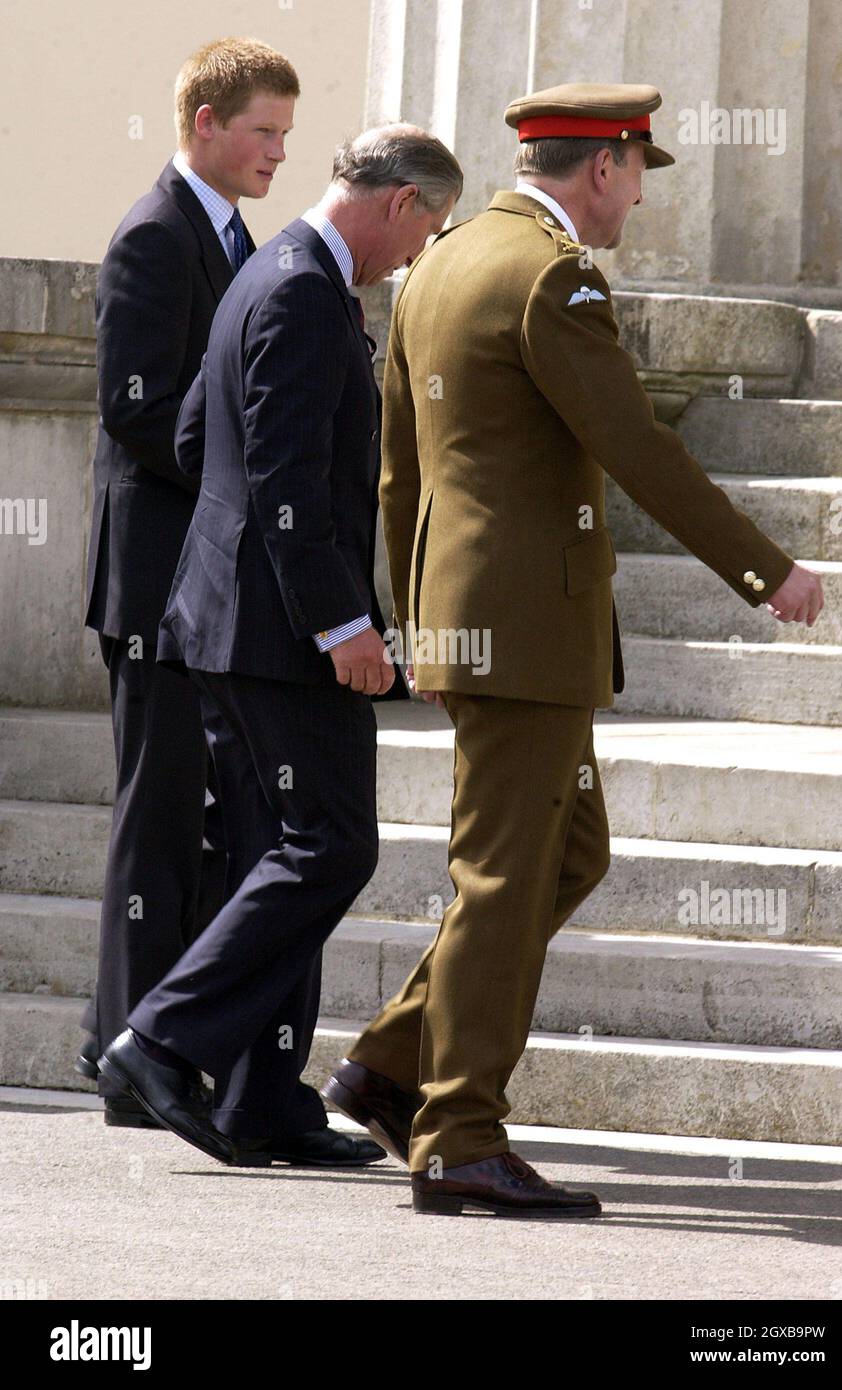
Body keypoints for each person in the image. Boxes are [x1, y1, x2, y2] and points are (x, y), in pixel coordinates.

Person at [322, 82, 825, 1218]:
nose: (636, 199)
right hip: (526, 637)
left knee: (563, 852)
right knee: (504, 875)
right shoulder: (554, 274)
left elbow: (397, 466)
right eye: (636, 175)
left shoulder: (438, 263)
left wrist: (417, 617)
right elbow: (637, 448)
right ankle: (457, 1132)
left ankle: (392, 1061)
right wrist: (765, 571)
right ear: (600, 167)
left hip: (468, 623)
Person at [98, 126, 463, 1167]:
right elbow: (285, 477)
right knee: (329, 845)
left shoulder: (272, 267)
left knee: (278, 848)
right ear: (399, 204)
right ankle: (160, 1039)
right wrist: (341, 624)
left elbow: (193, 440)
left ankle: (263, 1095)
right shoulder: (304, 288)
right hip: (277, 636)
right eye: (425, 231)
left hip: (234, 621)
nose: (417, 255)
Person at [79, 38, 303, 1131]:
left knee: (198, 818)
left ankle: (147, 1038)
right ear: (205, 122)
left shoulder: (225, 232)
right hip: (153, 581)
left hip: (197, 583)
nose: (275, 153)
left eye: (284, 136)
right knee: (156, 818)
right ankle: (126, 1053)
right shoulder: (155, 235)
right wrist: (240, 482)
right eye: (261, 131)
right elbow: (132, 404)